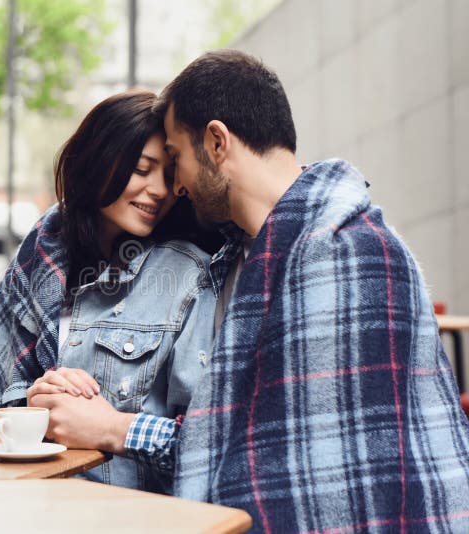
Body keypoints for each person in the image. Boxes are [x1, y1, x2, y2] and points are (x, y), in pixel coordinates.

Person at [34, 49, 469, 532]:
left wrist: (113, 428)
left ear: (217, 142)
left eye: (175, 158)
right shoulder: (238, 254)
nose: (174, 185)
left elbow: (293, 462)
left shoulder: (345, 250)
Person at [0, 90, 223, 493]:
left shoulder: (187, 273)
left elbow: (207, 442)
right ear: (99, 159)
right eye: (141, 168)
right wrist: (35, 401)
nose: (159, 190)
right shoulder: (42, 251)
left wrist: (109, 427)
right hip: (34, 503)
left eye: (170, 176)